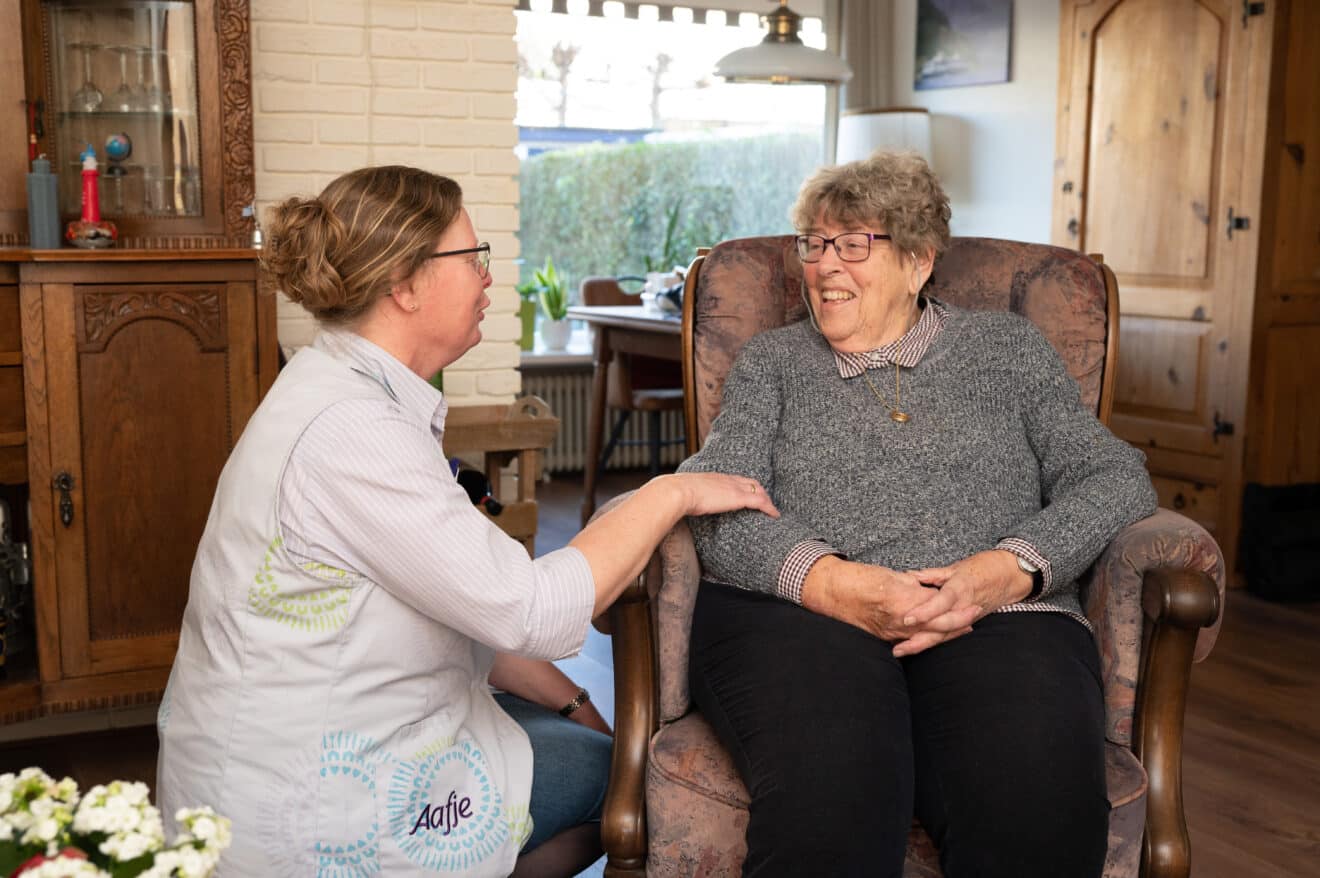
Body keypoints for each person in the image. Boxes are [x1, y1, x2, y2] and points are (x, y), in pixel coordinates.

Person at [155, 165, 777, 877]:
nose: (488, 277)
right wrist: (667, 494)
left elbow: (460, 599)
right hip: (315, 800)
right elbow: (530, 609)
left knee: (586, 745)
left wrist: (574, 701)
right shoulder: (354, 431)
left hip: (290, 746)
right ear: (405, 282)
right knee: (622, 779)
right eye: (472, 258)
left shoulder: (336, 390)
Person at [677, 151, 1157, 878]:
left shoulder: (1008, 350)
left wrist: (1009, 569)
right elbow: (714, 497)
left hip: (999, 619)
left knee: (1036, 817)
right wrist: (831, 582)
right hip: (802, 617)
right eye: (815, 243)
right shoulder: (772, 363)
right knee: (831, 809)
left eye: (854, 243)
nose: (825, 265)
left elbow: (1114, 475)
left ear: (918, 261)